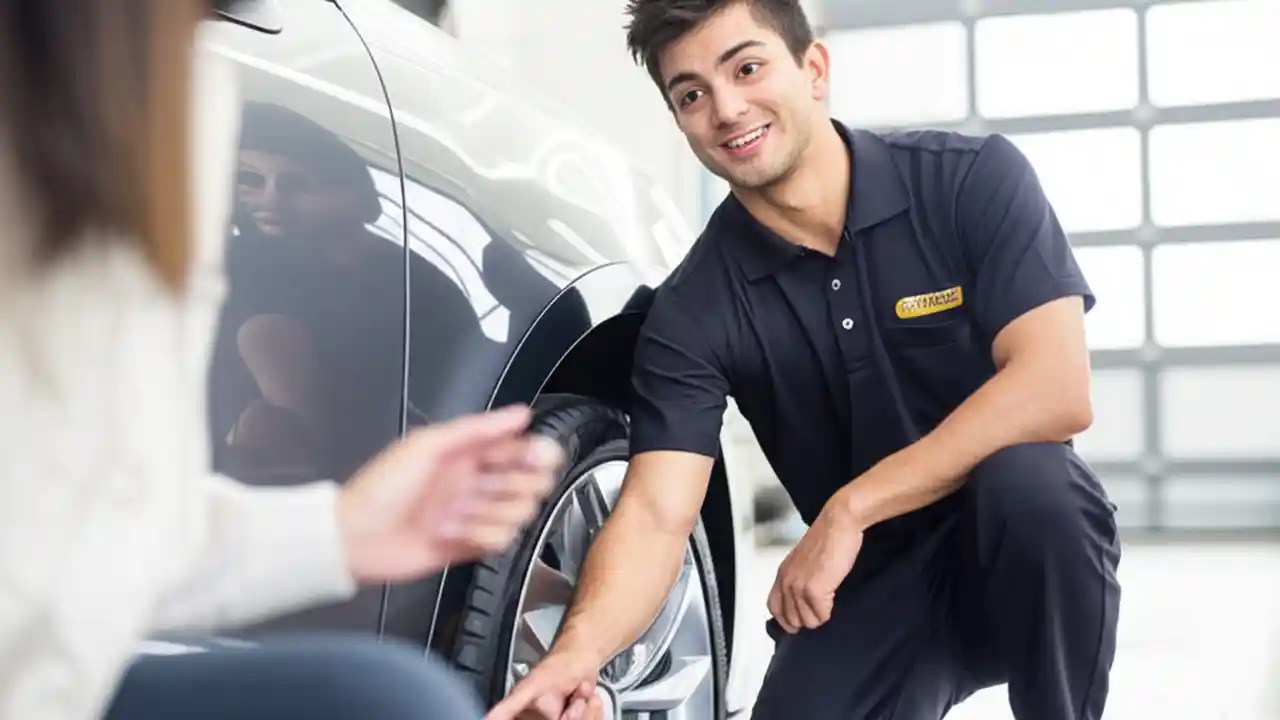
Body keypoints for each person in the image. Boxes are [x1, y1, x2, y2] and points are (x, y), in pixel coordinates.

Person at [488, 1, 1122, 719]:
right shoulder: (693, 309)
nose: (727, 109)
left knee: (1034, 483)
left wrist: (850, 509)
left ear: (813, 68)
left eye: (747, 67)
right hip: (861, 589)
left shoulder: (969, 182)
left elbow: (1056, 388)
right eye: (691, 94)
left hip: (1013, 552)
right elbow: (657, 514)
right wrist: (577, 651)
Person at [0, 3, 562, 720]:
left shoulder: (167, 91)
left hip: (47, 670)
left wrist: (340, 530)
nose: (267, 202)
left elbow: (79, 527)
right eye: (252, 183)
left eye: (293, 183)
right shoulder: (254, 255)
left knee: (395, 699)